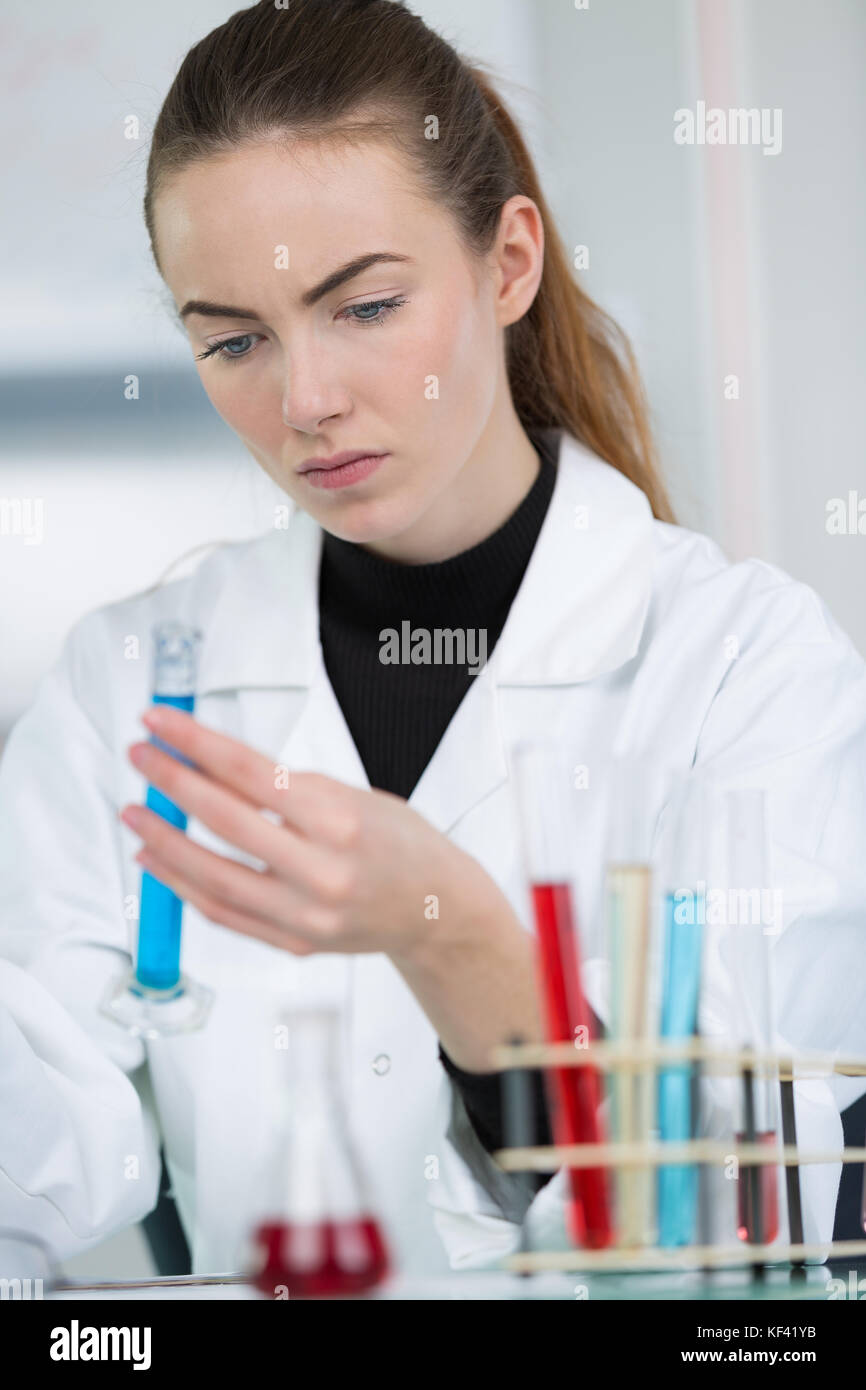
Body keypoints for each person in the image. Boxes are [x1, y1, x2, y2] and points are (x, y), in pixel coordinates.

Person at [1, 0, 865, 1278]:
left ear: (507, 261)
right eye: (232, 338)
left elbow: (746, 1230)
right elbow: (43, 1153)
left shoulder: (741, 673)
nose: (303, 401)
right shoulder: (128, 681)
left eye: (364, 306)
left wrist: (450, 929)